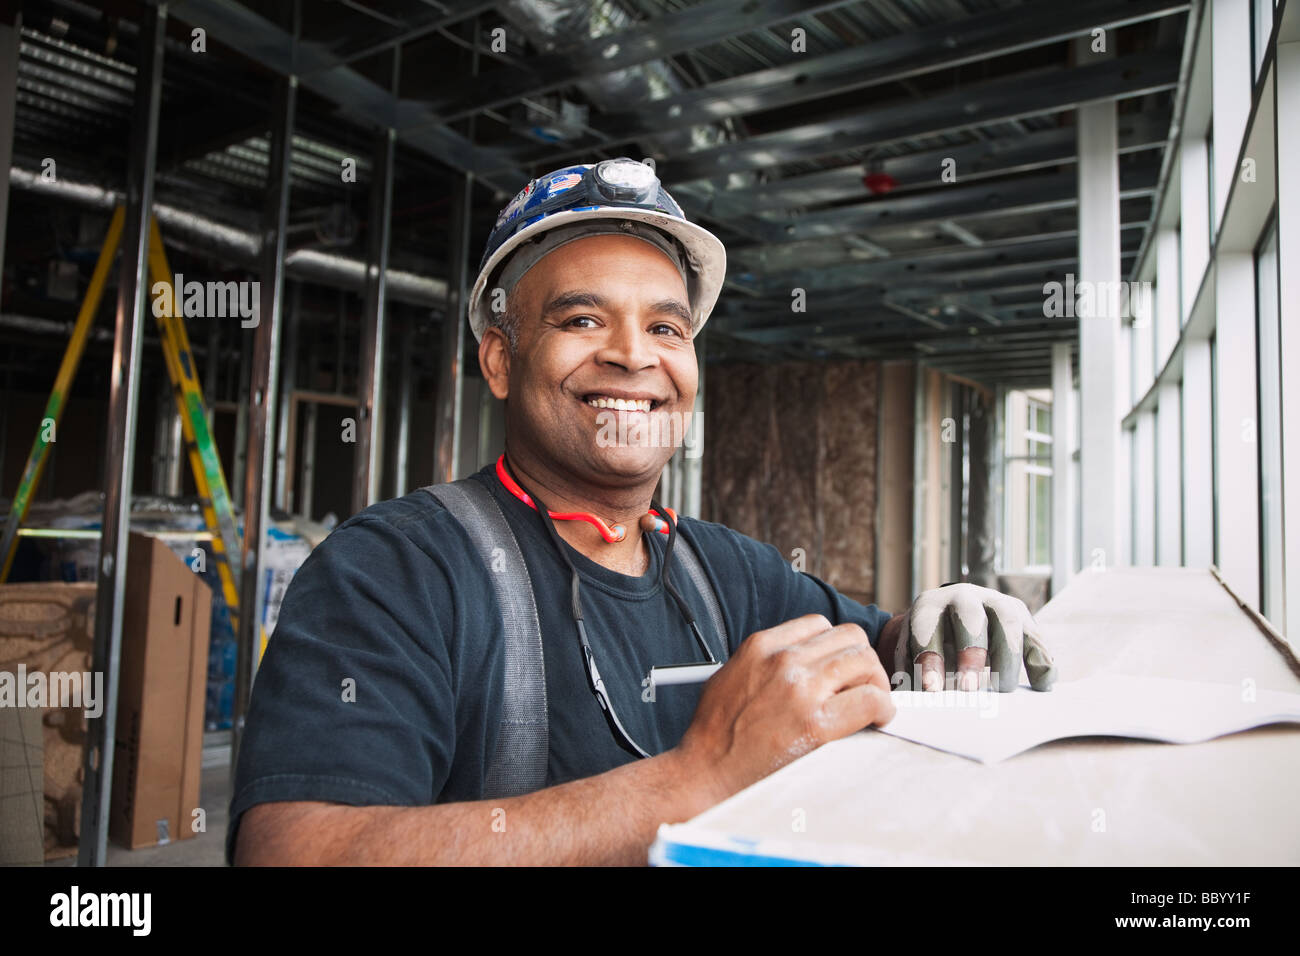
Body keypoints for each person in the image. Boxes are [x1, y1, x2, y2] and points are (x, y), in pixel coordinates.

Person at [229, 158, 1056, 866]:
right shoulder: (395, 572)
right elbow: (295, 852)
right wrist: (695, 781)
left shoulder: (728, 574)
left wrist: (941, 627)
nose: (633, 355)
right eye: (582, 318)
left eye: (667, 325)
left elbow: (877, 652)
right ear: (500, 359)